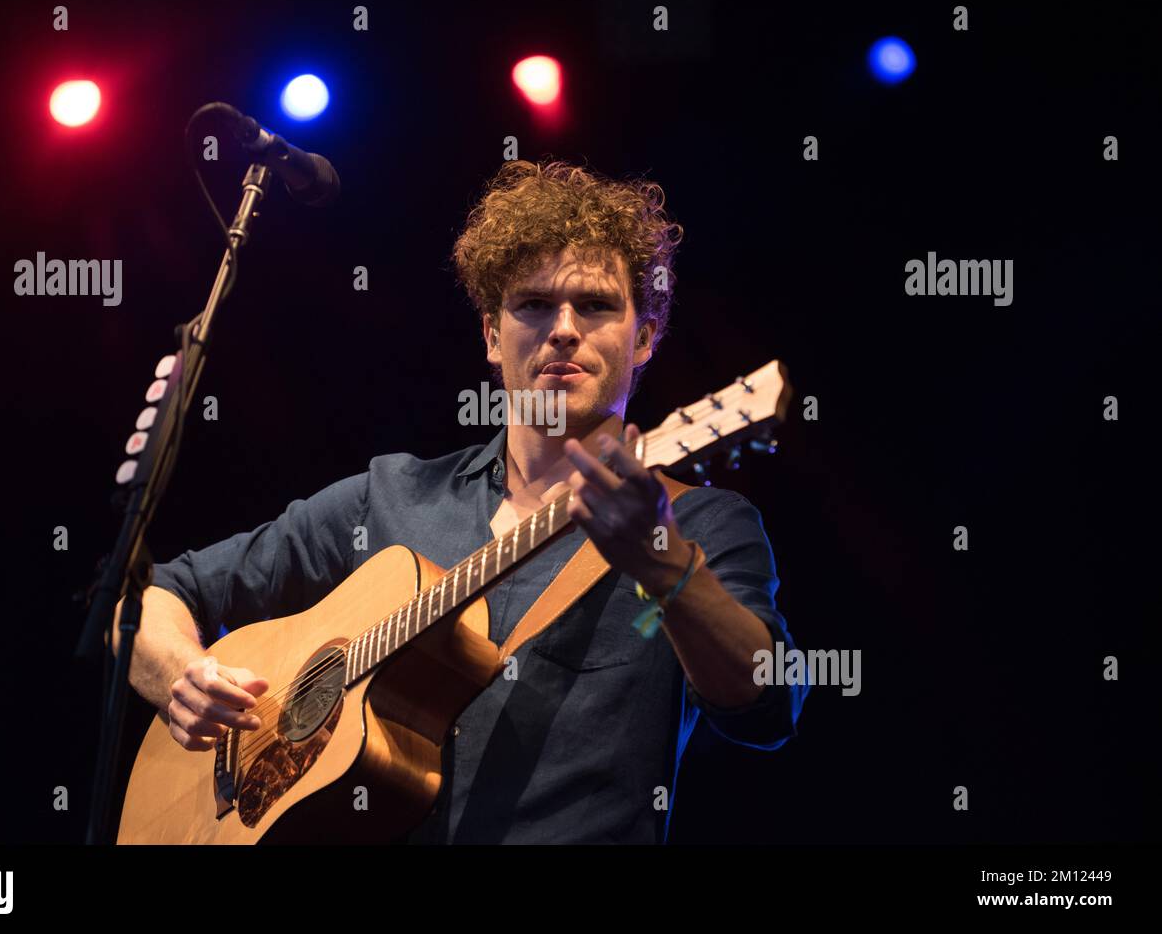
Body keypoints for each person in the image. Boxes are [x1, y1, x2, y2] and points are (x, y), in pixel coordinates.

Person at [112, 159, 807, 843]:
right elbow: (144, 602)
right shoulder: (388, 497)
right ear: (490, 336)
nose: (564, 328)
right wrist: (184, 672)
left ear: (646, 336)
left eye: (595, 305)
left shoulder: (700, 523)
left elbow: (767, 707)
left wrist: (666, 567)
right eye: (533, 304)